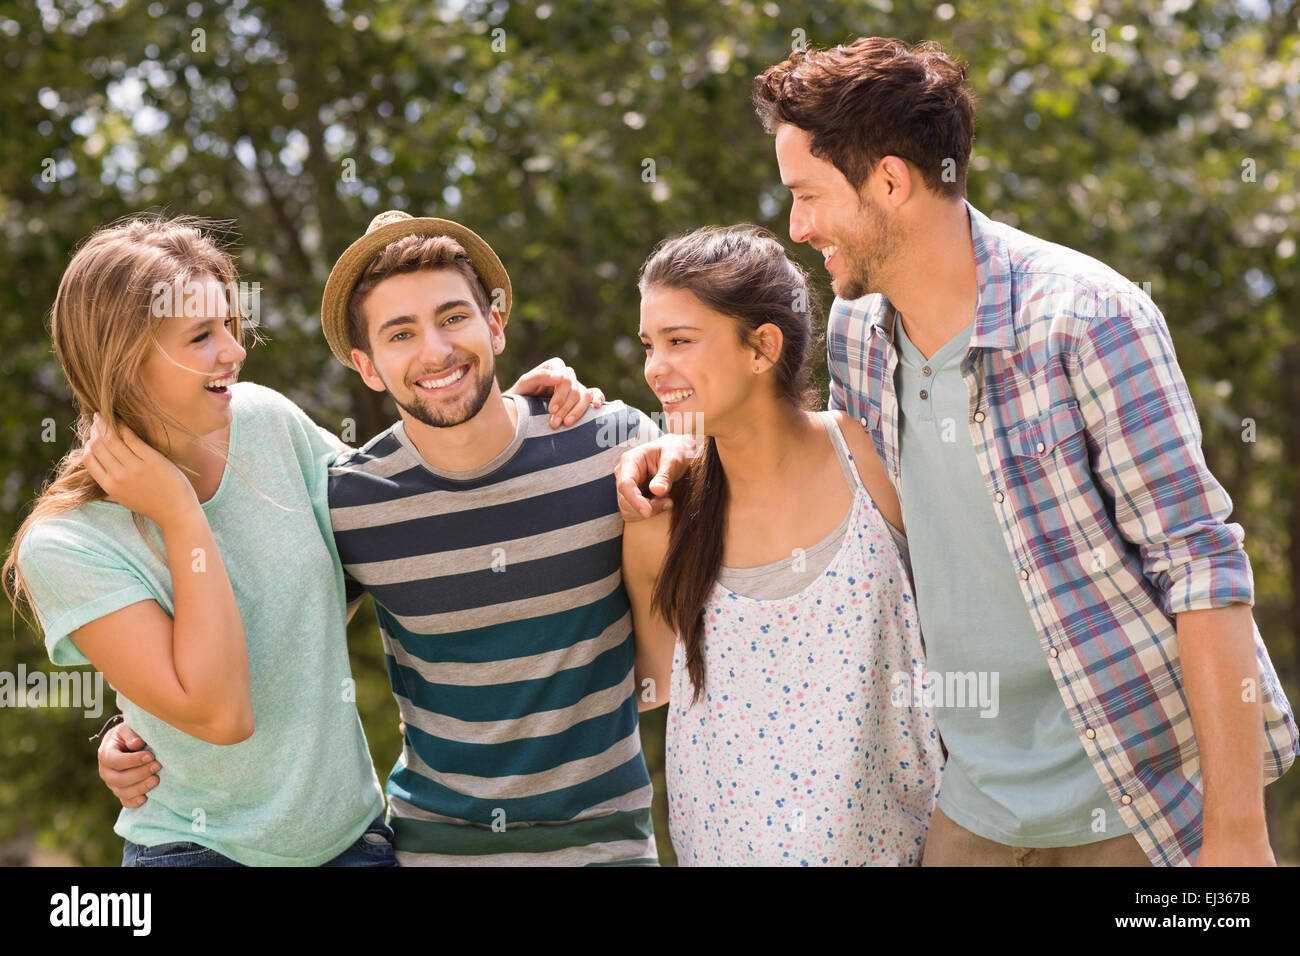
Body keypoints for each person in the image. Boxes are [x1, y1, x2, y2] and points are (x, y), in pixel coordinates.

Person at [617, 36, 1298, 866]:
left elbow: (1203, 571)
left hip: (1130, 796)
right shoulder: (862, 333)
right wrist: (682, 447)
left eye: (808, 196)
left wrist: (1236, 832)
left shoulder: (1086, 321)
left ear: (891, 182)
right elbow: (801, 448)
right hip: (972, 806)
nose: (797, 228)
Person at [6, 214, 597, 867]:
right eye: (202, 335)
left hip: (354, 842)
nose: (234, 350)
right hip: (197, 851)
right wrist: (179, 514)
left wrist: (511, 413)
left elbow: (403, 517)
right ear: (121, 360)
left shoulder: (264, 420)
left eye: (231, 324)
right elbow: (224, 717)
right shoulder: (69, 544)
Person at [623, 224, 941, 865]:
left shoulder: (871, 454)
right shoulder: (660, 513)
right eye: (649, 345)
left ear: (762, 347)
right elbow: (648, 688)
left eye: (680, 341)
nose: (657, 368)